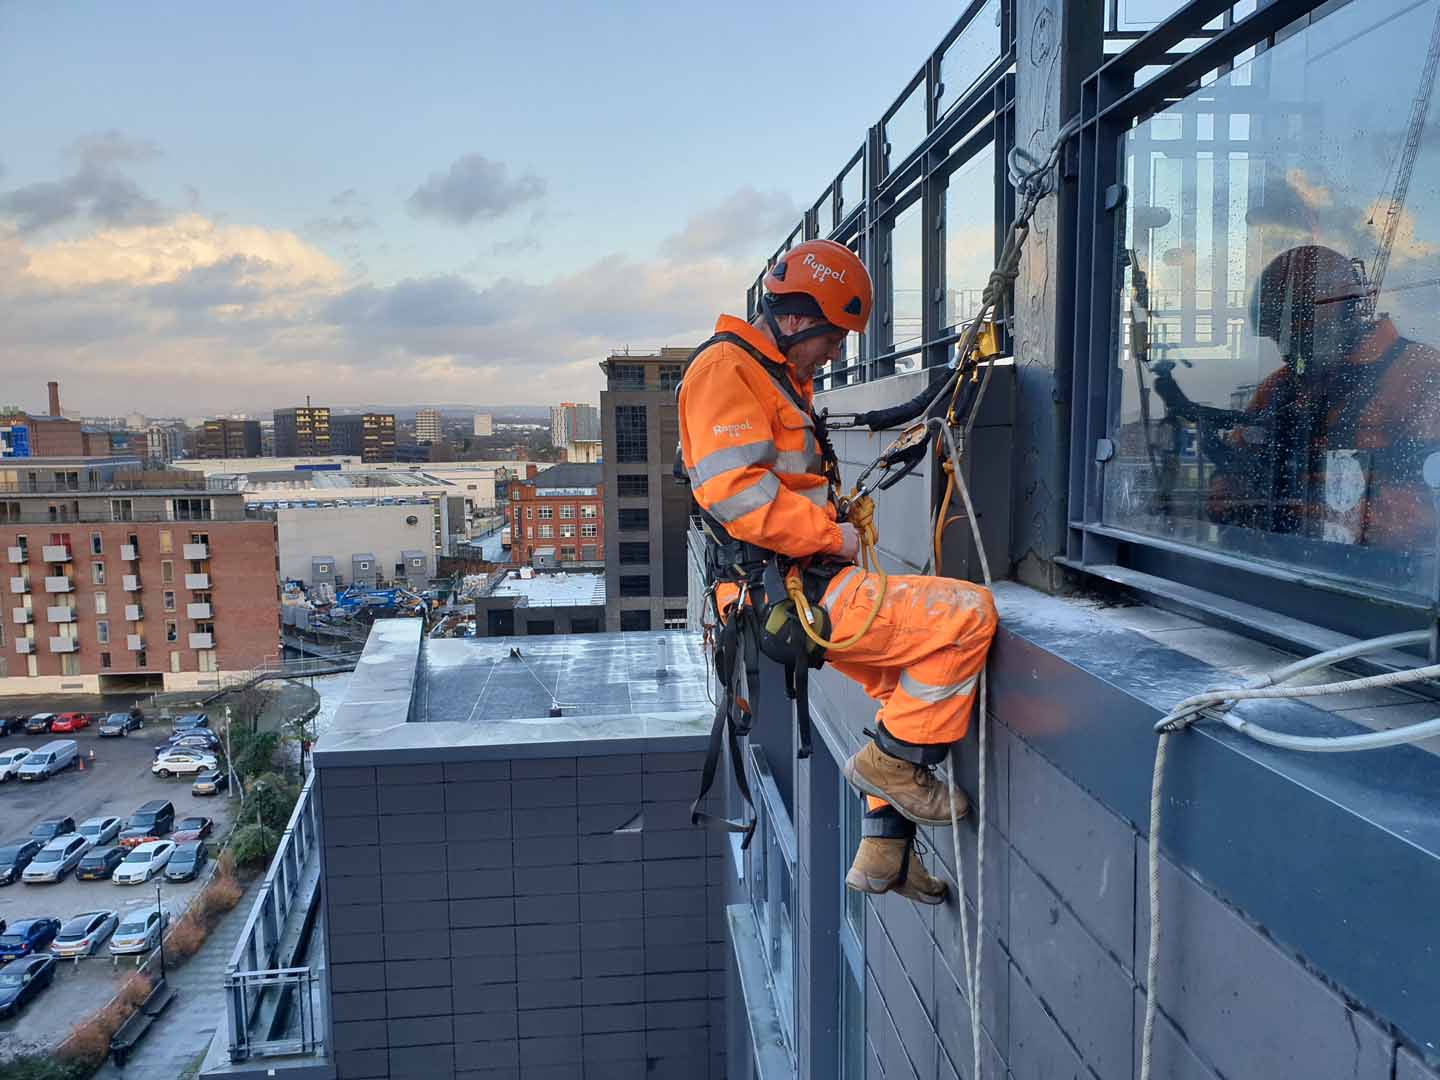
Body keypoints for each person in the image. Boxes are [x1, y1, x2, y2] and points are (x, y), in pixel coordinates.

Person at [678, 239, 998, 906]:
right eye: (830, 338)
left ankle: (884, 855)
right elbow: (737, 496)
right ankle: (888, 767)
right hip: (795, 589)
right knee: (967, 618)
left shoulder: (770, 375)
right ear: (794, 319)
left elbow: (778, 482)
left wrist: (833, 515)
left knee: (903, 690)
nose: (835, 355)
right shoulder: (726, 372)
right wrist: (834, 534)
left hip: (798, 587)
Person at [1153, 243, 1440, 548]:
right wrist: (1243, 495)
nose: (1288, 353)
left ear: (1348, 312)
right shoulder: (1279, 388)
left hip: (1373, 576)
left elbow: (1417, 520)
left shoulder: (1420, 375)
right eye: (1282, 340)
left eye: (1302, 338)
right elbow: (1226, 492)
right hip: (1277, 568)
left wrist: (1299, 515)